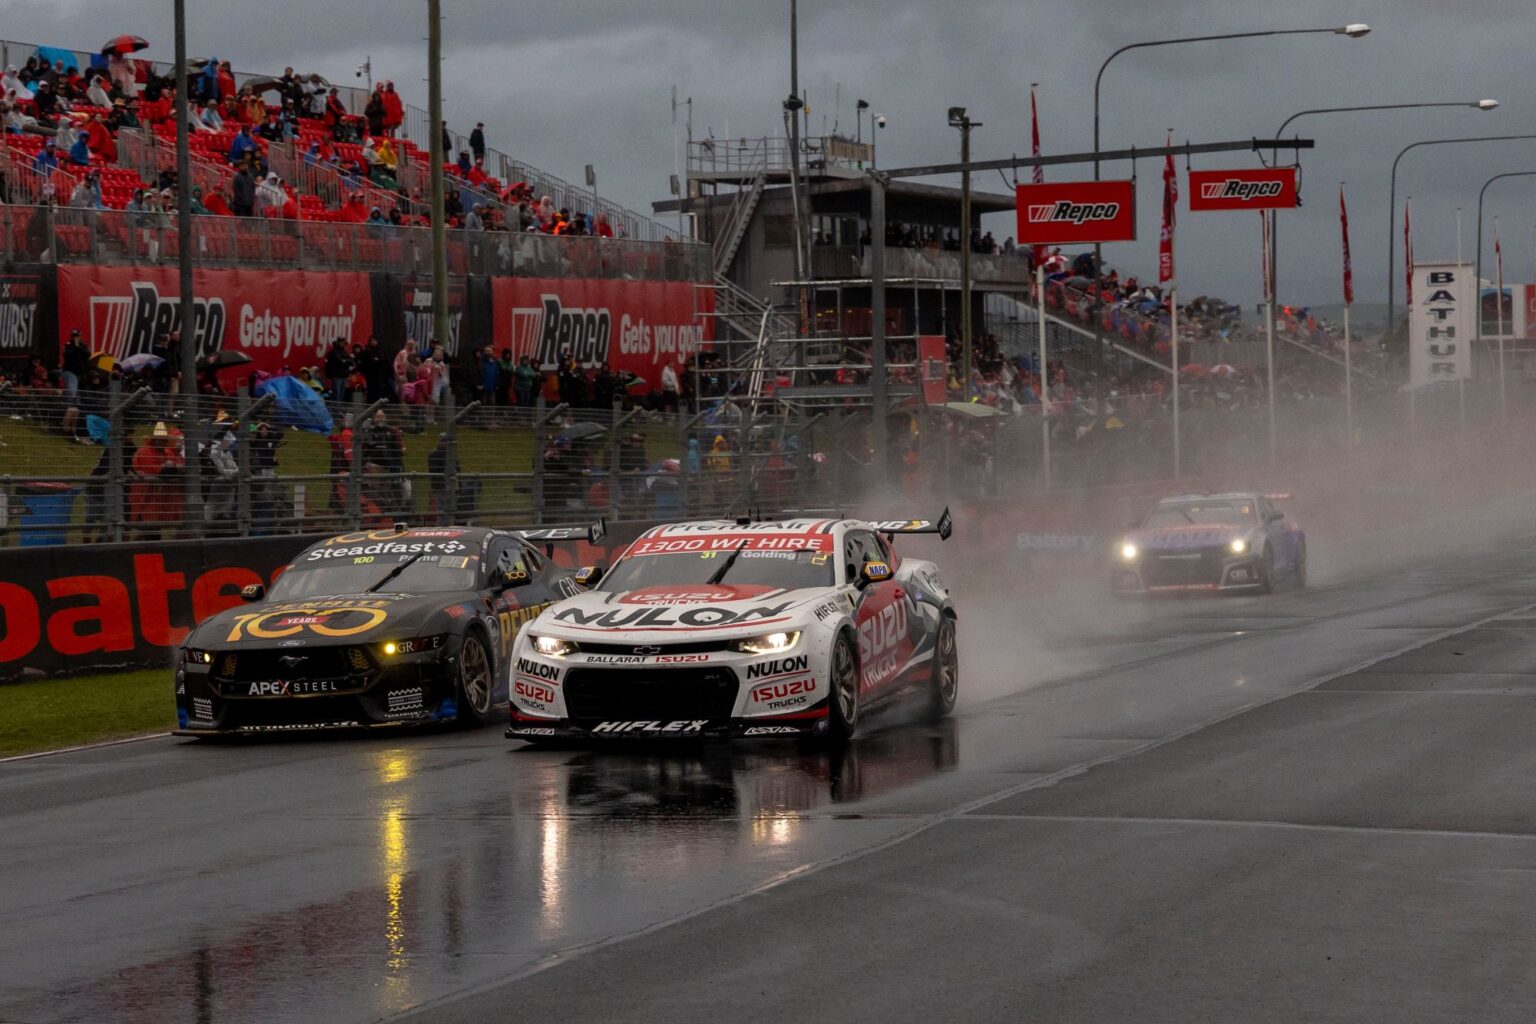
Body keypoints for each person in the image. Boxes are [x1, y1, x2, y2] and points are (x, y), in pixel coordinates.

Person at [129, 422, 185, 540]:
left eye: (164, 440)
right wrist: (173, 468)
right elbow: (160, 471)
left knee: (153, 528)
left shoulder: (164, 452)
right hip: (146, 495)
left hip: (156, 497)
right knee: (148, 527)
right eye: (160, 440)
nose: (162, 442)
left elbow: (171, 469)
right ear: (153, 440)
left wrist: (172, 467)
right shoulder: (146, 451)